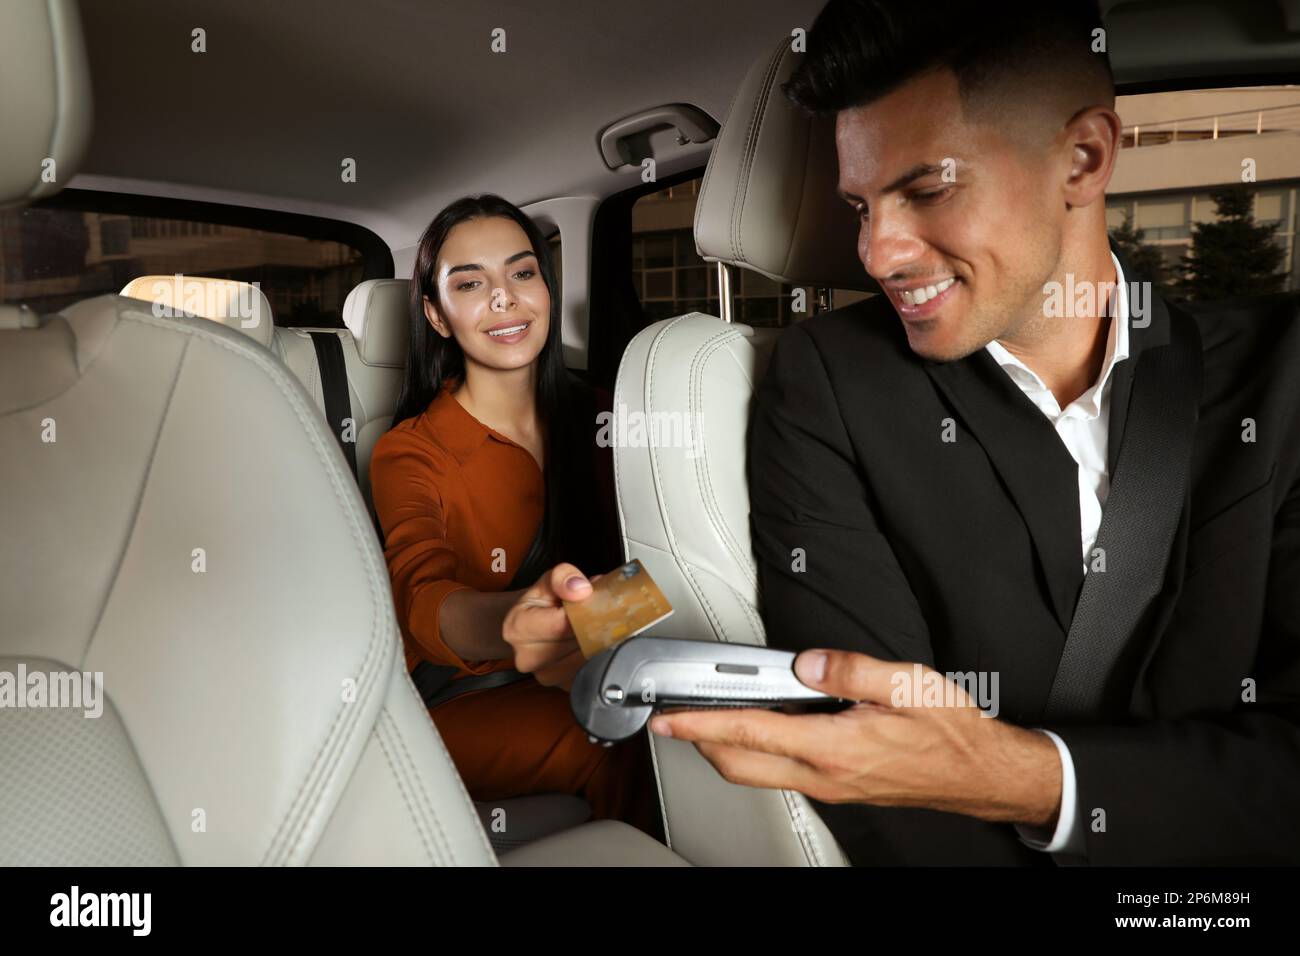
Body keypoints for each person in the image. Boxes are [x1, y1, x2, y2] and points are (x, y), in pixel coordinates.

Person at [649, 0, 1300, 864]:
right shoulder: (830, 390)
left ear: (1084, 157)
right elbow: (883, 773)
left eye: (926, 189)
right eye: (858, 205)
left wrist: (1025, 777)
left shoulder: (1280, 377)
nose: (878, 253)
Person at [370, 194, 660, 837]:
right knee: (630, 739)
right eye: (470, 283)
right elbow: (421, 595)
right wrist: (515, 619)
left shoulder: (611, 415)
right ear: (437, 316)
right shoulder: (411, 451)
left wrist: (604, 625)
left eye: (522, 273)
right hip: (467, 697)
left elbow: (666, 565)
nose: (504, 298)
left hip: (608, 656)